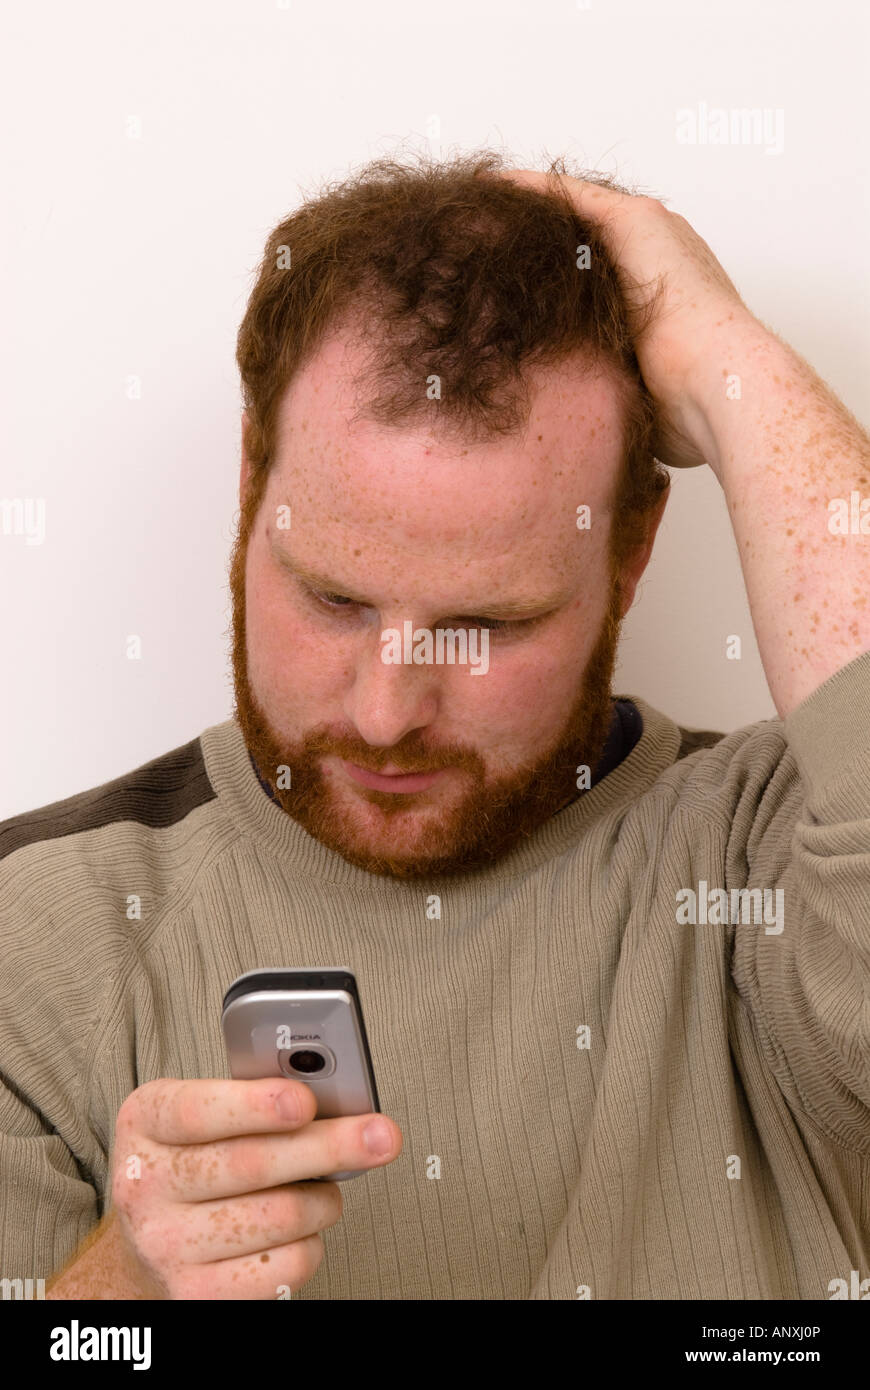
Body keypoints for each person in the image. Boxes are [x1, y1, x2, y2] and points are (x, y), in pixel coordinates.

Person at [2, 152, 868, 1300]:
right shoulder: (36, 933)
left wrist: (731, 366)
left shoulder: (772, 875)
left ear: (628, 552)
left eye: (490, 623)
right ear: (253, 480)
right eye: (332, 599)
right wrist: (128, 1292)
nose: (385, 713)